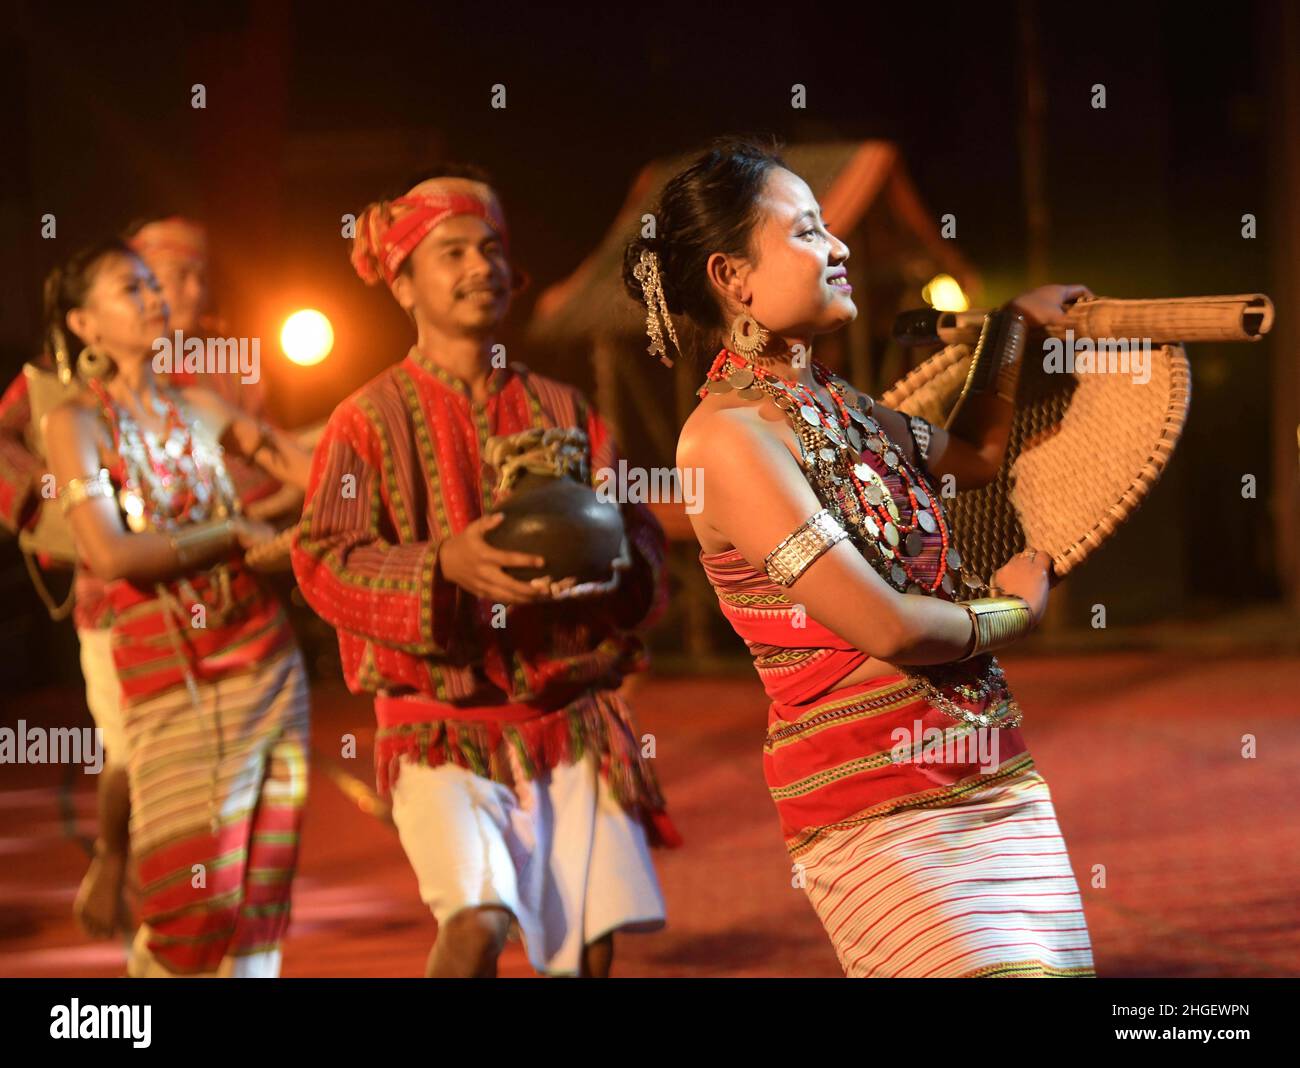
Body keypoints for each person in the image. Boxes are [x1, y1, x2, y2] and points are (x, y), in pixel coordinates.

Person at [624, 135, 1096, 978]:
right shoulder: (726, 441)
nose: (838, 245)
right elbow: (888, 626)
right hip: (881, 810)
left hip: (993, 773)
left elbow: (977, 455)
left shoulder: (839, 406)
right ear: (734, 279)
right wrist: (1016, 610)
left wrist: (1016, 327)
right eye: (807, 231)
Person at [292, 166, 676, 978]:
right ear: (401, 282)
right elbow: (323, 558)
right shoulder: (364, 420)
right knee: (476, 923)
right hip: (440, 727)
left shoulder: (567, 410)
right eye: (453, 252)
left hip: (568, 715)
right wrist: (444, 564)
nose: (482, 267)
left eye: (493, 248)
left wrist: (613, 568)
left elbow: (638, 532)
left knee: (589, 944)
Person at [0, 214, 294, 943]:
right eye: (157, 280)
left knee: (249, 843)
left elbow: (272, 463)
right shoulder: (71, 398)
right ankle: (118, 862)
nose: (179, 294)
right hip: (124, 612)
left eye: (191, 278)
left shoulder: (221, 372)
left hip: (233, 614)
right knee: (137, 756)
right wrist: (41, 497)